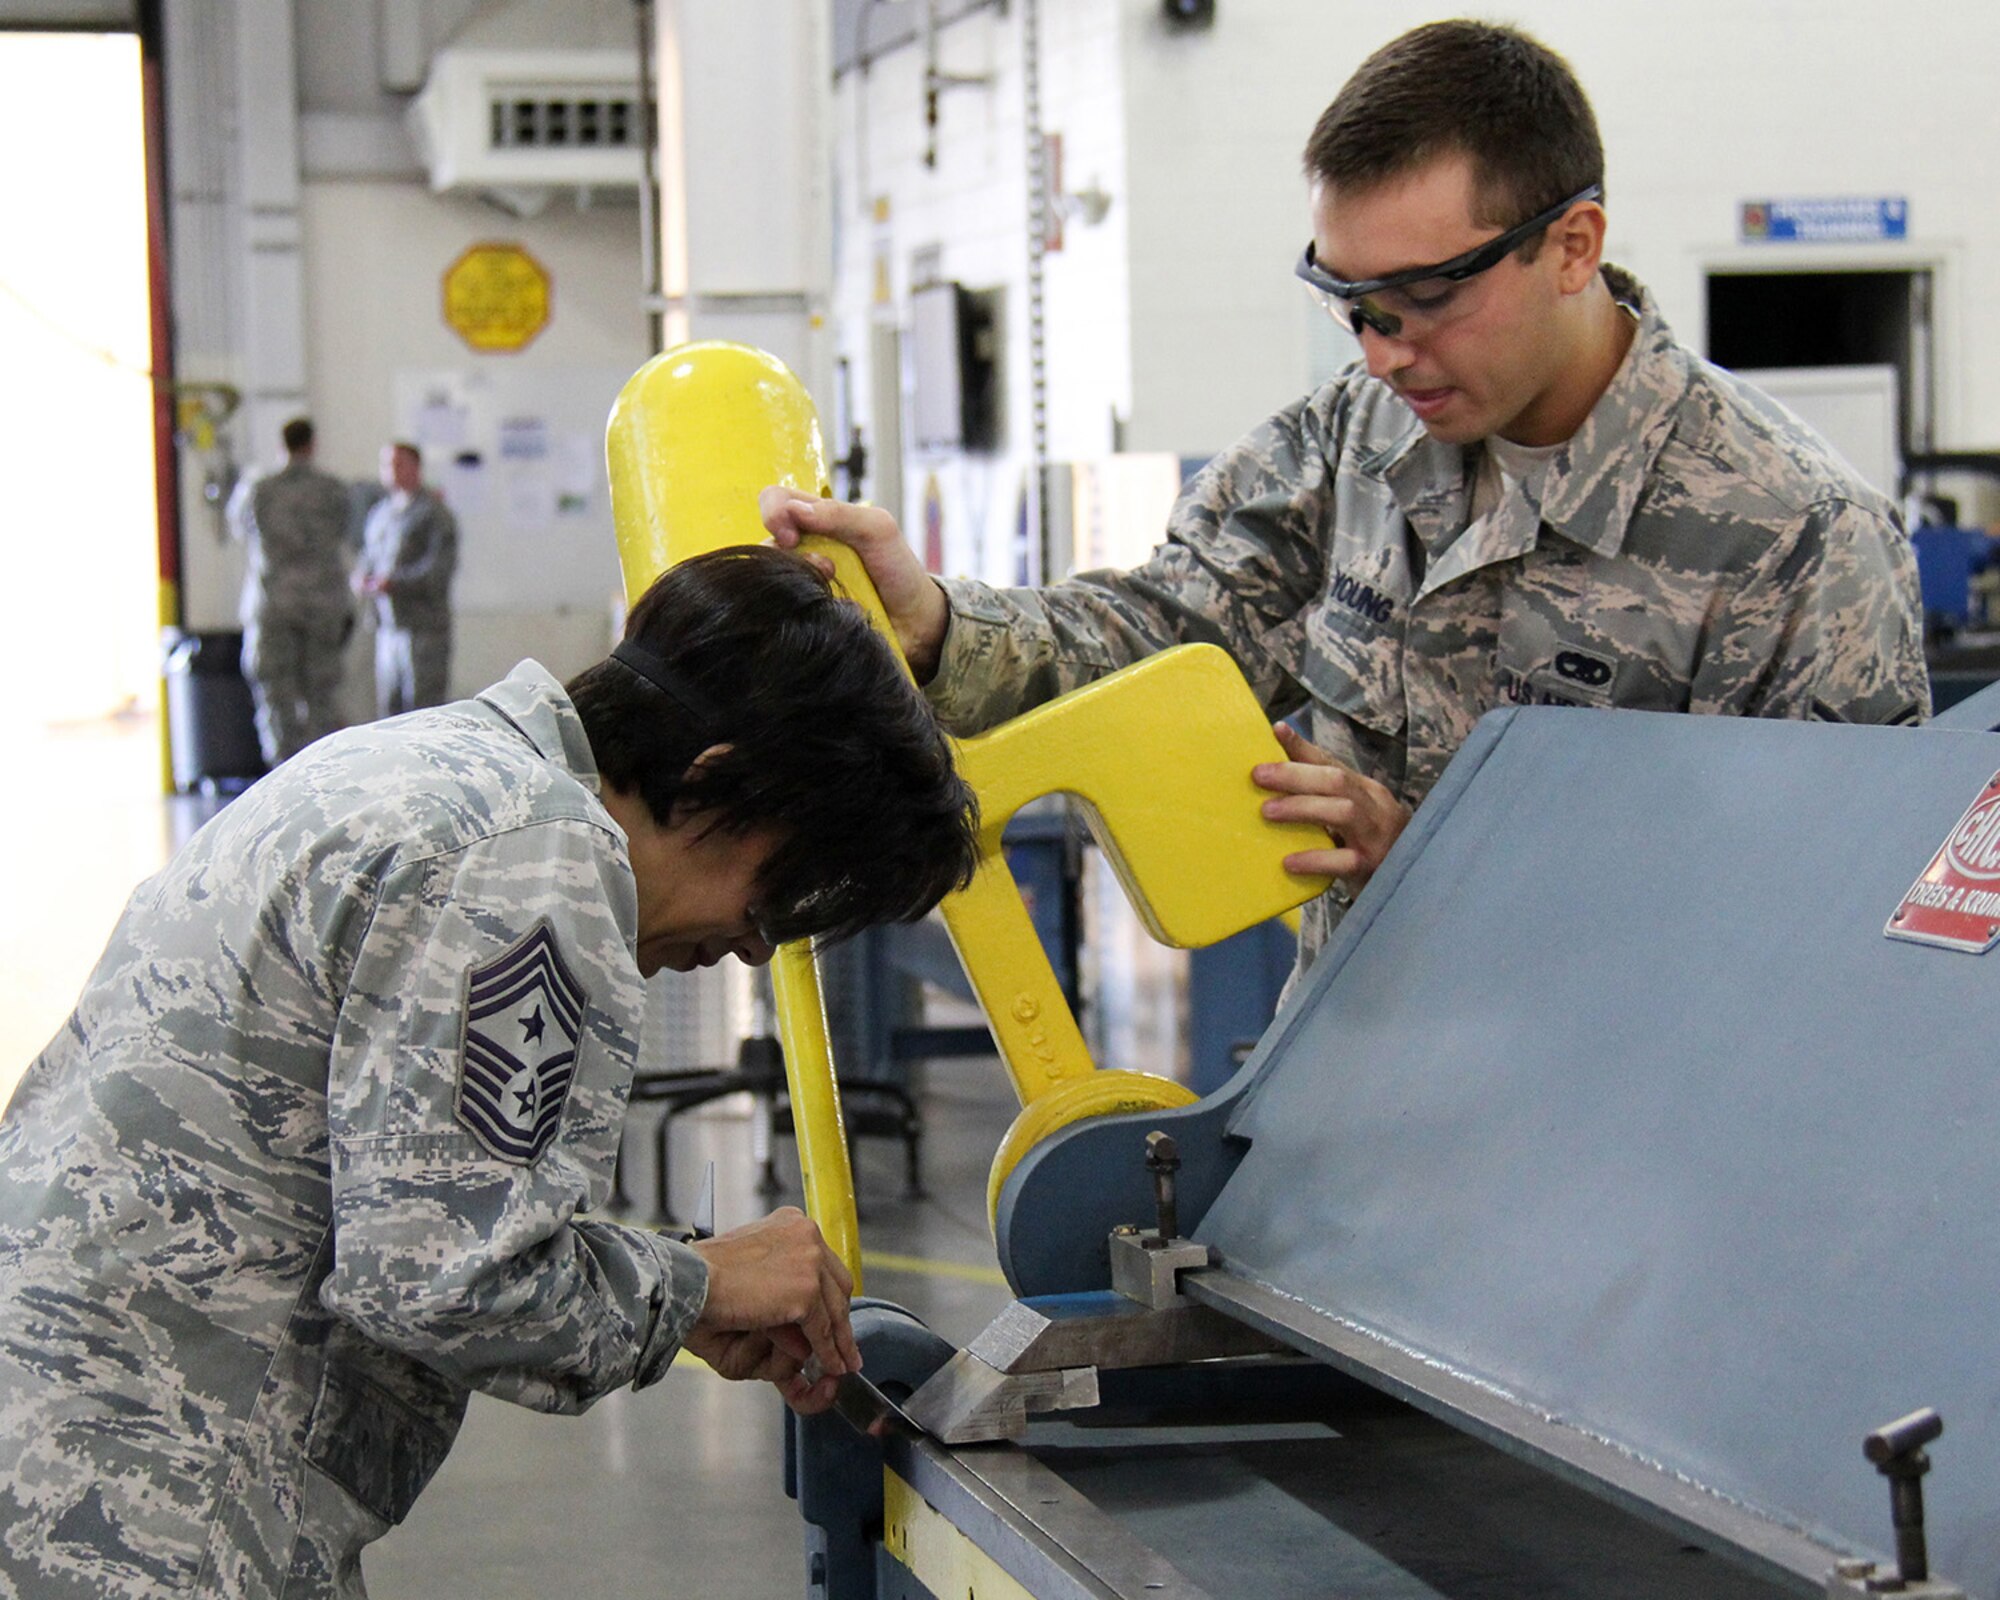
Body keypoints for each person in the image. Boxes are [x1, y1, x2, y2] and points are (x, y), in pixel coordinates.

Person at [764, 18, 1928, 982]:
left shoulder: (1796, 543)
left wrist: (1433, 861)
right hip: (1354, 1112)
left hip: (1631, 1169)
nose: (1383, 355)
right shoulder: (1350, 445)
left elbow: (1830, 935)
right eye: (1352, 304)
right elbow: (1166, 633)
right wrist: (936, 625)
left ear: (1571, 246)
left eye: (1422, 297)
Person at [0, 546, 978, 1597]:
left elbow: (411, 1212)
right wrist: (696, 1282)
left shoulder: (436, 767)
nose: (749, 945)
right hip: (145, 1503)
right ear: (708, 786)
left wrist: (683, 1297)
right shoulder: (533, 856)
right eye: (773, 898)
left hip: (74, 1430)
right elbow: (438, 1278)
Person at [227, 416, 355, 765]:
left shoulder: (260, 490)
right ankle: (320, 775)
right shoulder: (332, 491)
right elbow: (346, 531)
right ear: (311, 445)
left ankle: (280, 772)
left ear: (282, 446)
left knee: (275, 694)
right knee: (321, 695)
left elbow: (238, 529)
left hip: (274, 605)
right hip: (322, 605)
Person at [358, 440, 458, 717]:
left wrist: (394, 583)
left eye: (398, 464)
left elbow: (438, 571)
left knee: (423, 710)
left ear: (416, 468)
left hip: (424, 628)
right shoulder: (381, 514)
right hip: (388, 627)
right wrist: (363, 578)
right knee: (390, 712)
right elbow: (368, 556)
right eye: (386, 464)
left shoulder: (435, 514)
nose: (391, 470)